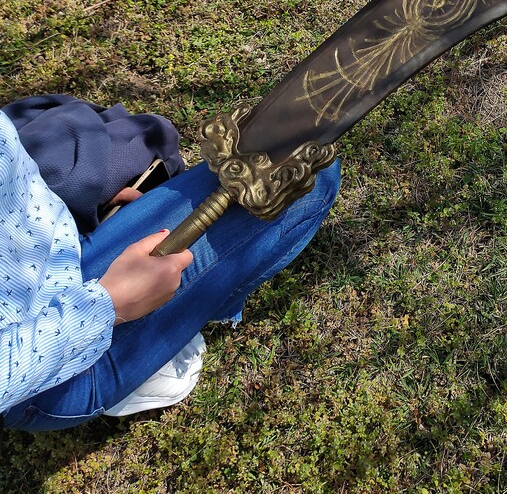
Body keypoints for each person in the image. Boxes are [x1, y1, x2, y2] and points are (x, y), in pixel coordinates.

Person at [0, 103, 340, 431]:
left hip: (59, 249)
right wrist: (108, 306)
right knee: (311, 181)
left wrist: (82, 202)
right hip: (47, 364)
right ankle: (143, 361)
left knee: (281, 148)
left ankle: (182, 310)